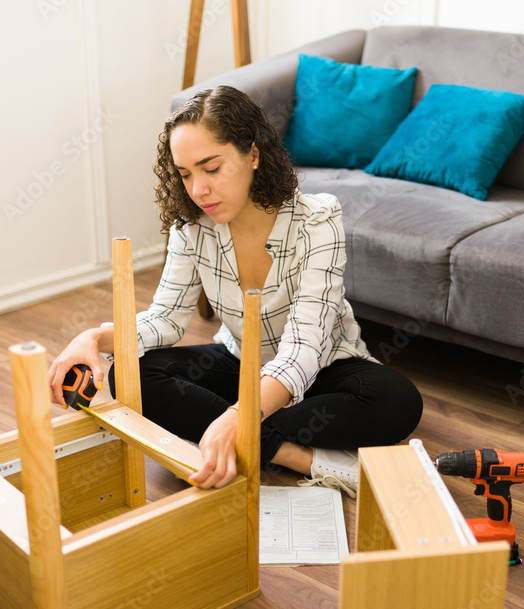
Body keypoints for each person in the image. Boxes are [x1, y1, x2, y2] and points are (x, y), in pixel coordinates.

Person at [47, 85, 422, 497]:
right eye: (185, 174)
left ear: (253, 154)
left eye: (211, 168)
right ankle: (293, 456)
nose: (198, 190)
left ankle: (226, 436)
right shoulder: (190, 227)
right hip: (242, 361)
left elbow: (304, 350)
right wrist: (93, 339)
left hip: (326, 369)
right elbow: (166, 319)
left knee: (397, 401)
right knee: (132, 374)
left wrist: (238, 416)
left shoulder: (318, 218)